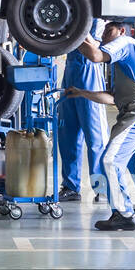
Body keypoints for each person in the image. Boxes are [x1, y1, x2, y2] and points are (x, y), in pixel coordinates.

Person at [65, 20, 135, 231]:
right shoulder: (123, 63)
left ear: (122, 30)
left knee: (110, 159)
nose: (106, 36)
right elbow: (111, 98)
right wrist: (82, 93)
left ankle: (123, 213)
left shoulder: (125, 43)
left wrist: (72, 33)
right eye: (104, 32)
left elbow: (96, 55)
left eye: (109, 31)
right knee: (131, 159)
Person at [57, 21, 107, 203]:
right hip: (70, 72)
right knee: (67, 135)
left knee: (95, 137)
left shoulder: (97, 18)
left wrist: (78, 28)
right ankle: (71, 186)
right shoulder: (70, 12)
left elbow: (95, 46)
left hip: (90, 73)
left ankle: (102, 188)